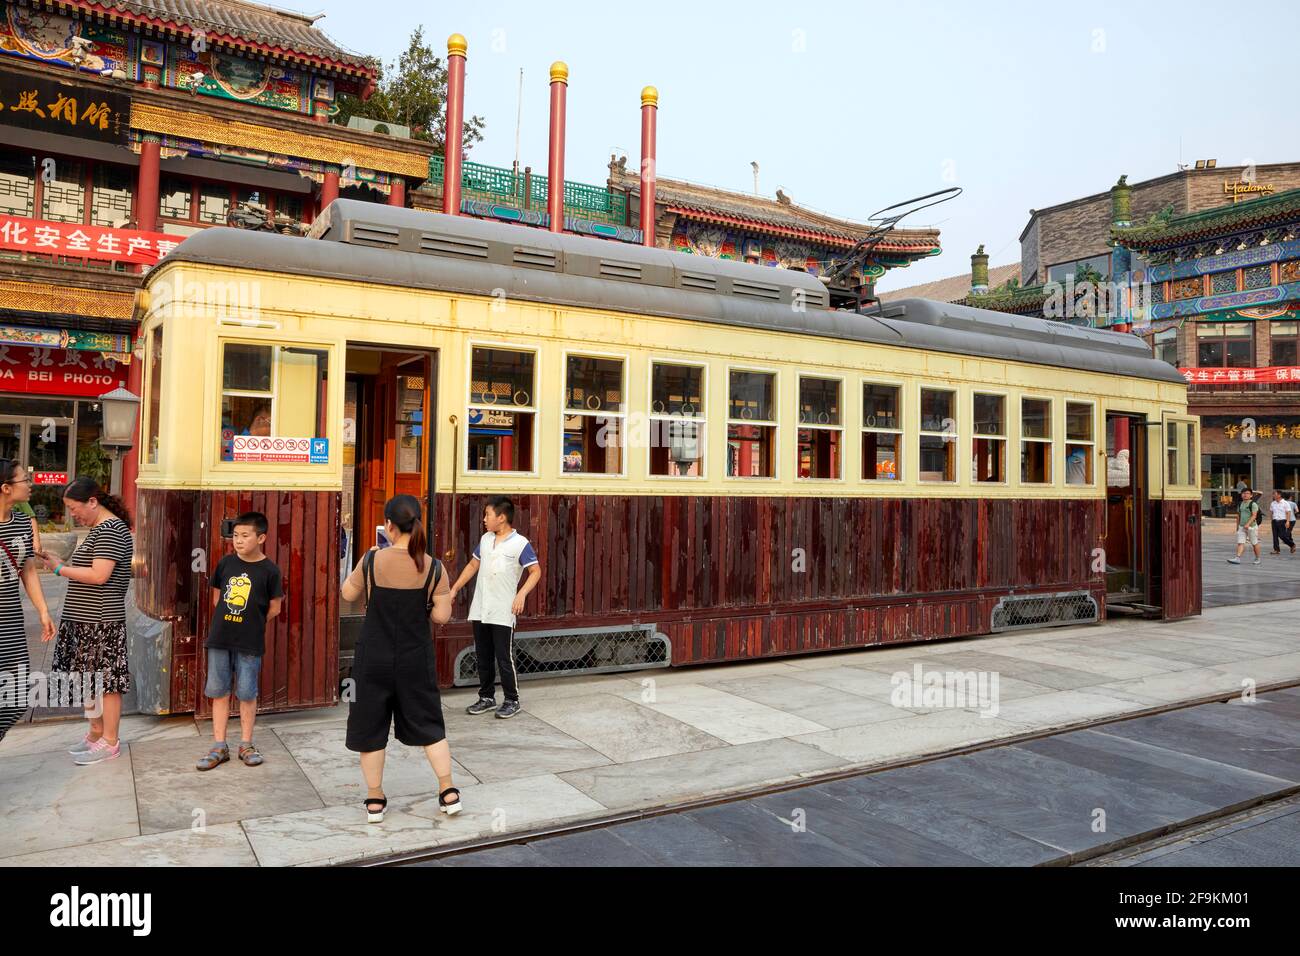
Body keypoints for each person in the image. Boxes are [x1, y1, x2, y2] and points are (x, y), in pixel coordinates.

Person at [342, 494, 459, 823]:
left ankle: (375, 799)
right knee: (430, 723)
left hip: (372, 659)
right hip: (414, 659)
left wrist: (367, 566)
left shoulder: (371, 560)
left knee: (370, 727)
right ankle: (448, 791)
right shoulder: (434, 567)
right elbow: (441, 617)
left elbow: (347, 594)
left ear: (389, 526)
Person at [39, 477, 134, 764]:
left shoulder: (111, 530)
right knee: (88, 680)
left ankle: (110, 740)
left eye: (74, 507)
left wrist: (59, 569)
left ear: (93, 501)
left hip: (101, 618)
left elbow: (99, 576)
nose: (72, 514)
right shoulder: (98, 529)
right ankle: (95, 732)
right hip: (83, 618)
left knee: (107, 682)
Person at [196, 512, 283, 771]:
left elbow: (275, 607)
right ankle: (219, 745)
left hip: (250, 642)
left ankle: (246, 743)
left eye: (245, 536)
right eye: (235, 536)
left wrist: (252, 624)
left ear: (261, 538)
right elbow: (216, 599)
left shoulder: (270, 570)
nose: (239, 541)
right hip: (220, 638)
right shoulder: (225, 564)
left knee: (246, 692)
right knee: (219, 691)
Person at [450, 496, 541, 720]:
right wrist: (454, 589)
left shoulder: (520, 543)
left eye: (488, 515)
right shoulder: (485, 539)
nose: (484, 519)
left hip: (503, 609)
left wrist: (521, 594)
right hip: (482, 605)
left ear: (501, 518)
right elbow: (473, 565)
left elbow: (536, 571)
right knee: (483, 654)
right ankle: (487, 697)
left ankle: (512, 700)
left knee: (504, 656)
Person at [0, 460, 56, 745]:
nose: (30, 483)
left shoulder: (21, 522)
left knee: (18, 693)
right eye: (24, 480)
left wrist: (44, 611)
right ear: (6, 488)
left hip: (10, 620)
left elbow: (27, 569)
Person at [1227, 488, 1262, 566]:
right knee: (1240, 542)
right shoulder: (1240, 504)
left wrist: (1248, 524)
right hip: (1242, 526)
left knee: (1254, 543)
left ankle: (1257, 558)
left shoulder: (1253, 504)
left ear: (1251, 495)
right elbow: (1238, 515)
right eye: (1243, 493)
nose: (1245, 495)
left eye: (1247, 493)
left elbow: (1254, 516)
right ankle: (1237, 558)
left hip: (1252, 527)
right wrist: (1237, 526)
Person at [1269, 490, 1296, 555]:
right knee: (1275, 536)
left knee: (1282, 536)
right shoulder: (1273, 503)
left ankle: (1292, 544)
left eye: (1274, 494)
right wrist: (1272, 520)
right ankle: (1276, 550)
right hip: (1274, 521)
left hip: (1282, 521)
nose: (1273, 495)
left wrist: (1288, 521)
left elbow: (1288, 512)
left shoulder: (1285, 503)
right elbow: (1271, 512)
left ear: (1279, 495)